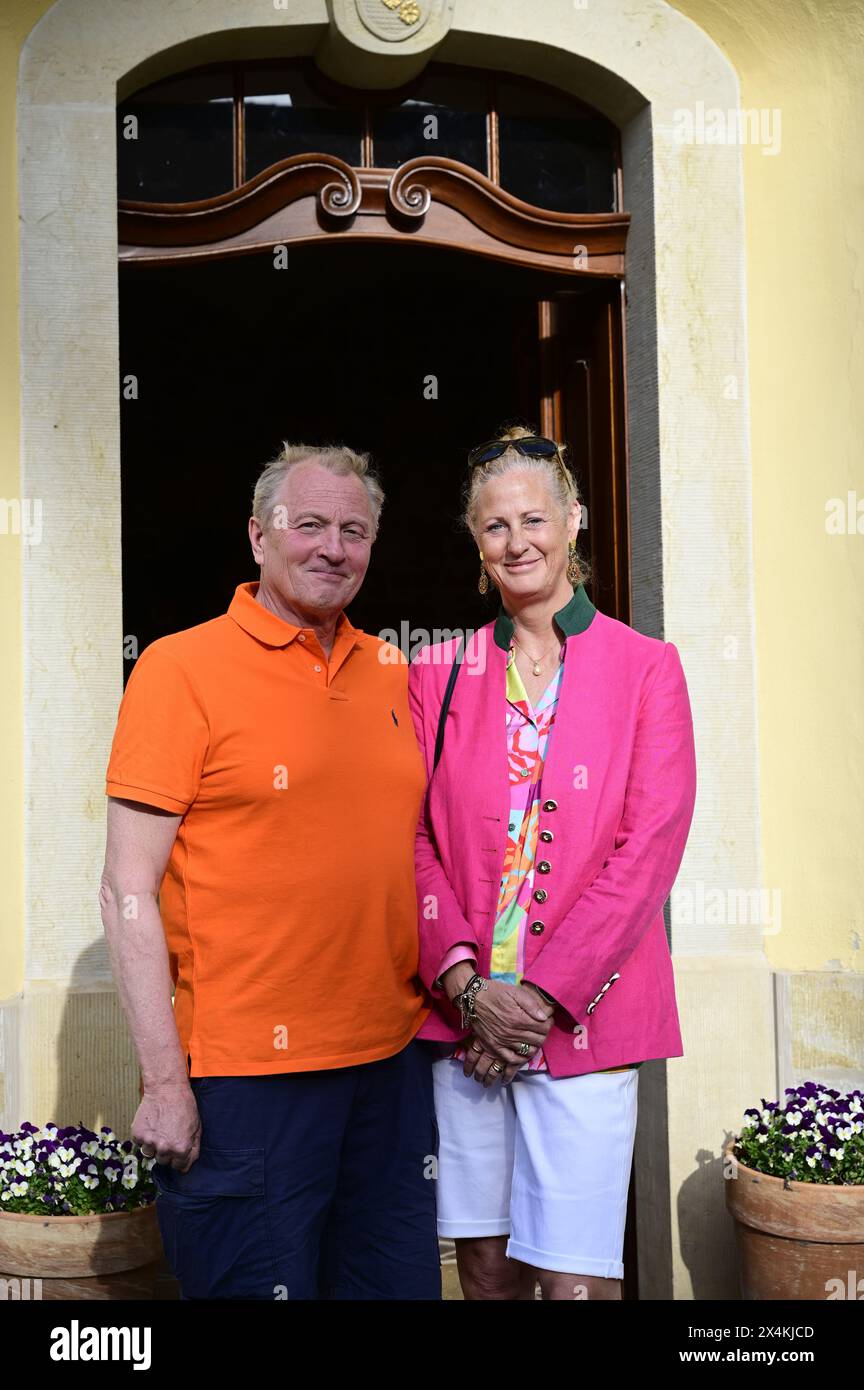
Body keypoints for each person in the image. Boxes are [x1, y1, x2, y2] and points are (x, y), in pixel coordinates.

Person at [99, 443, 440, 1300]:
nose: (334, 547)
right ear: (259, 536)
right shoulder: (179, 669)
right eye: (311, 524)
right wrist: (166, 1081)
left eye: (354, 531)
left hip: (389, 1073)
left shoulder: (395, 673)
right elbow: (125, 890)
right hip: (245, 1085)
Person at [408, 423, 697, 1301]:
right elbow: (408, 839)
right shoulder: (435, 670)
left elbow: (649, 850)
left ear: (573, 520)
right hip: (464, 1026)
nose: (517, 541)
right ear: (474, 538)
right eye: (495, 526)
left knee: (575, 1280)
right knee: (487, 1271)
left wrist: (533, 1001)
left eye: (534, 519)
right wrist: (467, 988)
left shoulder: (648, 668)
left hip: (583, 1020)